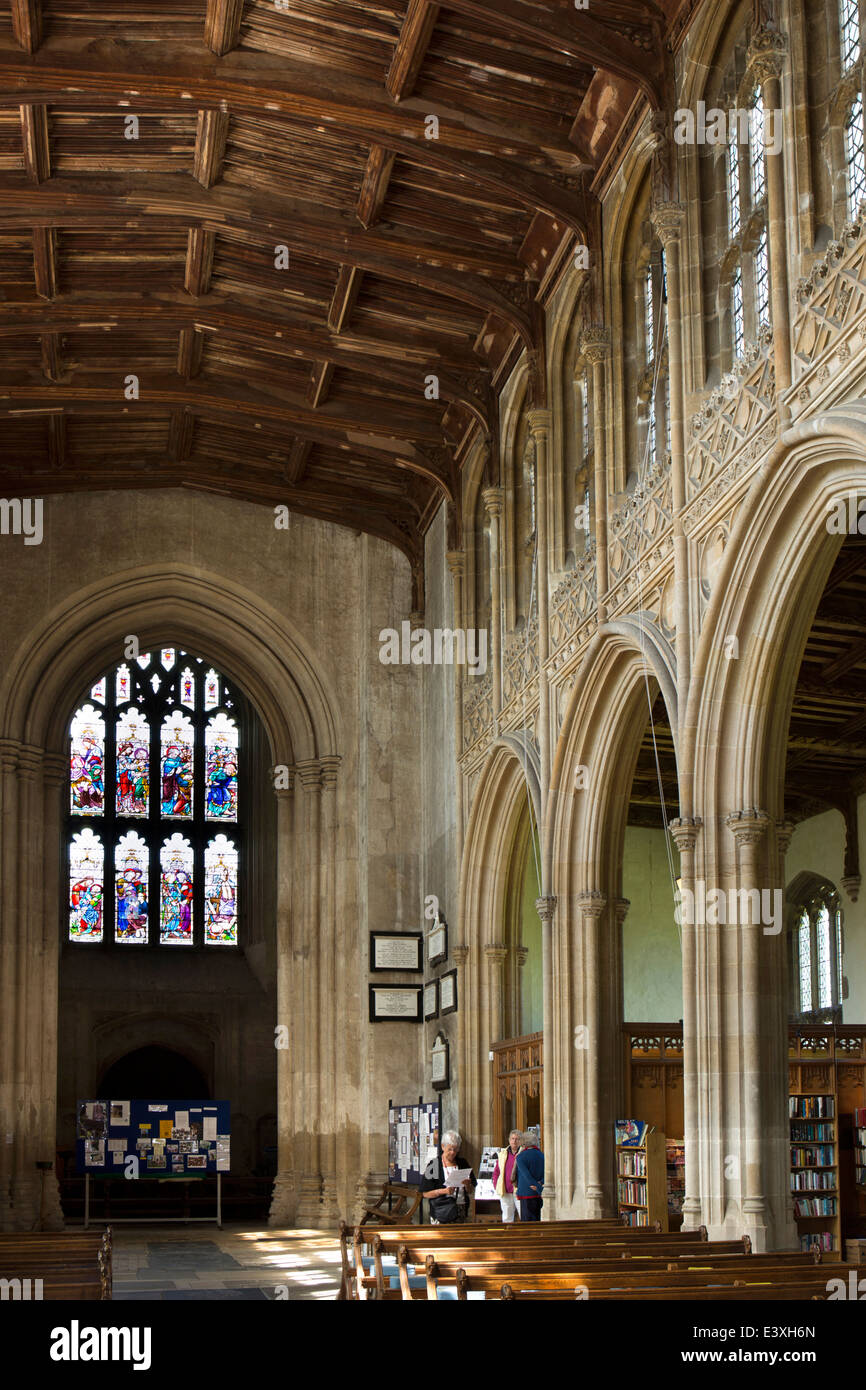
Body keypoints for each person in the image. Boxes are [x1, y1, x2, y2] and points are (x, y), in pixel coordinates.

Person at [421, 1130, 476, 1224]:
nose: (453, 1153)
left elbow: (471, 1190)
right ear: (443, 1146)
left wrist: (467, 1185)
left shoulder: (462, 1163)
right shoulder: (434, 1165)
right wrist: (444, 1191)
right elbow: (425, 1193)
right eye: (449, 1149)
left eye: (455, 1149)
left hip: (461, 1208)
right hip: (442, 1210)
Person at [491, 1130, 523, 1223]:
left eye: (517, 1139)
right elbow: (497, 1172)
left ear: (520, 1141)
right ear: (509, 1140)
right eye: (512, 1139)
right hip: (505, 1191)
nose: (514, 1141)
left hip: (519, 1191)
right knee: (507, 1218)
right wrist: (496, 1184)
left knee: (523, 1215)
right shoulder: (503, 1154)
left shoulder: (523, 1153)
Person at [514, 1131, 544, 1221]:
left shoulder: (521, 1157)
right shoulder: (542, 1155)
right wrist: (541, 1186)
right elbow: (547, 1173)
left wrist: (537, 1187)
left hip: (527, 1193)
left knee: (527, 1224)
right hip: (540, 1194)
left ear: (523, 1142)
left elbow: (527, 1176)